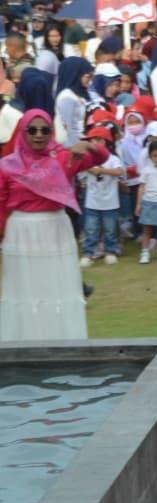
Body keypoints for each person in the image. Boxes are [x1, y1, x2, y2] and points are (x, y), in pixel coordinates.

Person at [0, 110, 108, 342]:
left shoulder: (63, 158)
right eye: (32, 130)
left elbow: (102, 157)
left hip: (55, 227)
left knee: (56, 286)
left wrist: (88, 146)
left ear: (52, 132)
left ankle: (61, 340)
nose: (38, 135)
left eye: (45, 130)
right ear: (22, 131)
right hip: (21, 231)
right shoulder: (6, 165)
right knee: (25, 288)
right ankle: (23, 342)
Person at [79, 126, 125, 266]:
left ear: (106, 141)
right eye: (92, 140)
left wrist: (102, 170)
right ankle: (89, 253)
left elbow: (119, 172)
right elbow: (80, 170)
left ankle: (110, 251)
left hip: (110, 202)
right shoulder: (87, 158)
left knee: (110, 229)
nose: (95, 143)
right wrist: (89, 169)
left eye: (98, 139)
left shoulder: (113, 158)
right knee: (91, 228)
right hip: (92, 201)